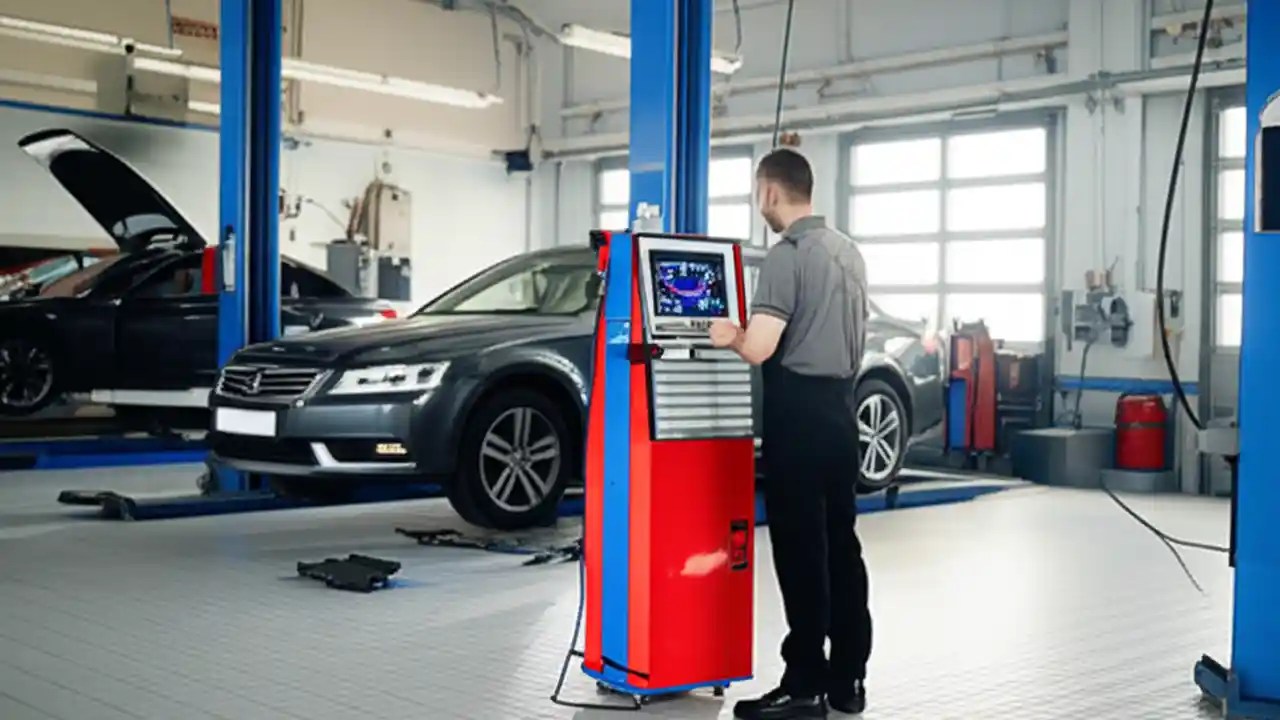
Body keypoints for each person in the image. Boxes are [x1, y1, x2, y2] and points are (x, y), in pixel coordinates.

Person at [709, 149, 872, 719]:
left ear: (770, 194)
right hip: (842, 415)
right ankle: (849, 680)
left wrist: (725, 332)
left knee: (802, 555)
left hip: (798, 421)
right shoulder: (849, 253)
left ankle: (803, 685)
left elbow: (760, 348)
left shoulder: (787, 256)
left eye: (759, 195)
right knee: (841, 547)